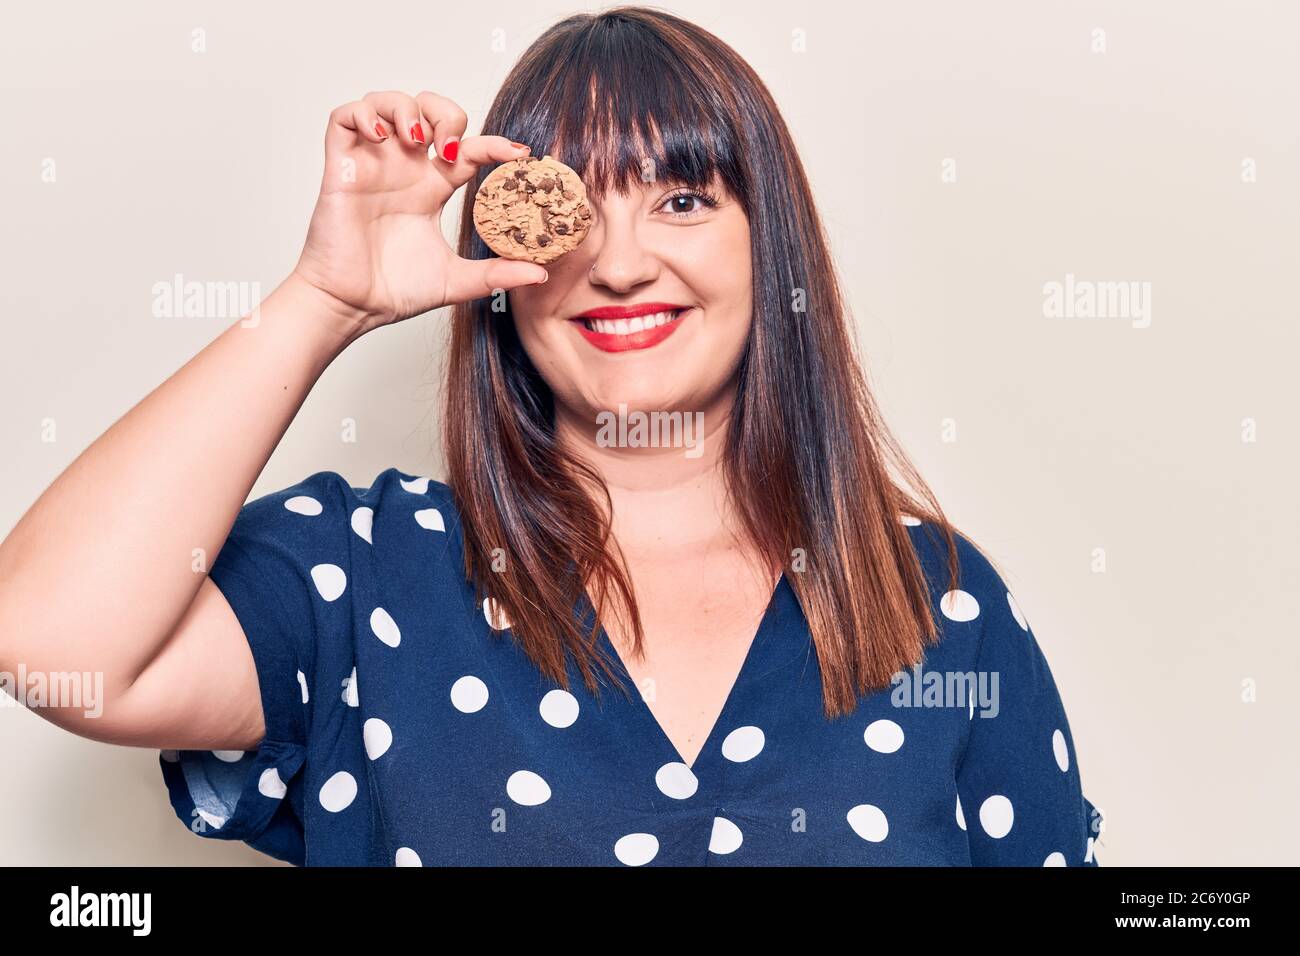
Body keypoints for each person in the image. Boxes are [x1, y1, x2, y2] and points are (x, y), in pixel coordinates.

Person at [0, 6, 1102, 866]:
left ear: (772, 246)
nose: (619, 263)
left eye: (681, 199)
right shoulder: (370, 571)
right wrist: (325, 299)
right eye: (575, 202)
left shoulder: (937, 606)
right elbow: (47, 641)